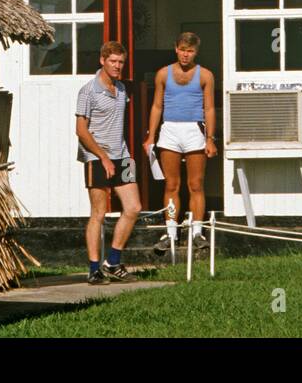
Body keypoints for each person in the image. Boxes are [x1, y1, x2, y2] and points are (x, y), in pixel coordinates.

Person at [143, 32, 216, 254]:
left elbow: (209, 108)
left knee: (195, 184)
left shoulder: (205, 75)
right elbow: (157, 106)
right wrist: (151, 136)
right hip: (170, 129)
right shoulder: (163, 74)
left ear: (196, 52)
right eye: (183, 50)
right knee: (171, 185)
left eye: (190, 51)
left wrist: (210, 139)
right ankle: (171, 232)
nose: (186, 54)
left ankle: (197, 232)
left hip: (194, 129)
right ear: (176, 49)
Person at [75, 41, 142, 284]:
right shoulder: (88, 91)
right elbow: (81, 130)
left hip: (121, 155)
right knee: (99, 213)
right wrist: (102, 157)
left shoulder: (122, 89)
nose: (117, 66)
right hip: (96, 157)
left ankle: (113, 261)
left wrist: (119, 156)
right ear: (102, 61)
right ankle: (94, 268)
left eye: (121, 62)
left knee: (133, 207)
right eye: (112, 61)